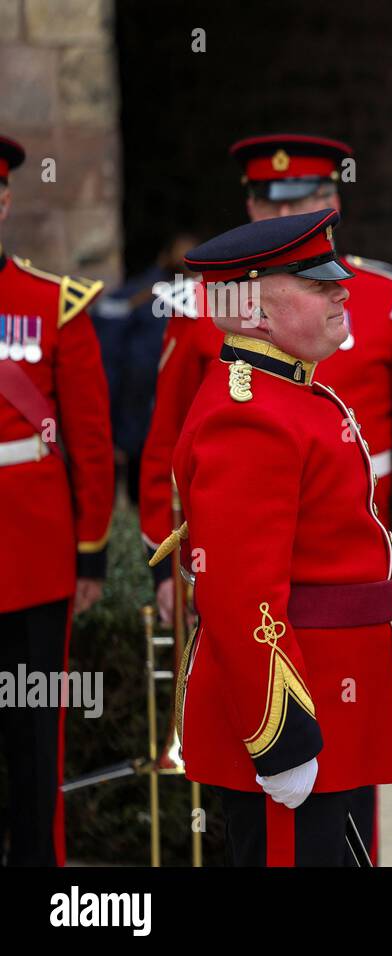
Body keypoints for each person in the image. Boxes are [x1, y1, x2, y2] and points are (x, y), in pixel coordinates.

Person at [152, 210, 392, 866]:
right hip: (297, 707)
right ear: (253, 311)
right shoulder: (251, 417)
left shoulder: (294, 394)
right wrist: (280, 737)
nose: (342, 292)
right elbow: (242, 596)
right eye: (316, 285)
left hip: (335, 696)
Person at [140, 134, 392, 627]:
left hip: (357, 551)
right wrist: (163, 562)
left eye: (305, 201)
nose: (286, 216)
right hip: (230, 549)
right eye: (269, 203)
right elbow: (166, 442)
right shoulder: (201, 303)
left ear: (332, 202)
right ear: (249, 206)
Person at [0, 134, 114, 865]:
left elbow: (93, 444)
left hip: (34, 559)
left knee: (34, 734)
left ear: (4, 200)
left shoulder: (52, 304)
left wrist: (90, 555)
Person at [90, 230, 198, 500]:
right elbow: (108, 345)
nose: (186, 258)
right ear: (164, 256)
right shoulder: (142, 293)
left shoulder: (210, 296)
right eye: (181, 251)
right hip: (137, 410)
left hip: (182, 411)